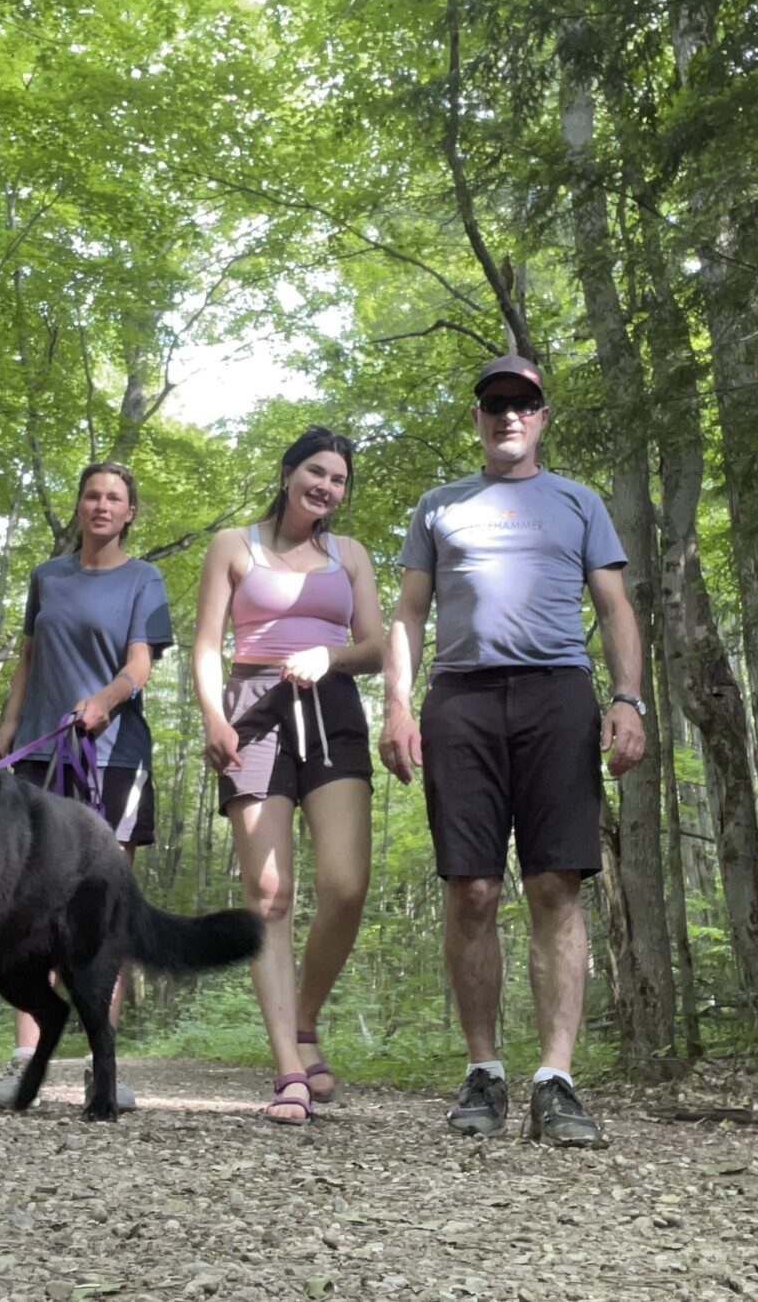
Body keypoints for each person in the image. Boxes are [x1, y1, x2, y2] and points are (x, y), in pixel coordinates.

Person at [377, 356, 645, 1147]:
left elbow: (617, 606)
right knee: (473, 889)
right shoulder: (438, 507)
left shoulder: (579, 502)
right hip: (461, 696)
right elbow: (408, 613)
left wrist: (628, 699)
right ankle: (484, 1072)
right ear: (478, 416)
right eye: (494, 402)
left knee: (557, 886)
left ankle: (555, 1081)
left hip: (557, 691)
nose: (508, 415)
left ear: (541, 416)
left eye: (522, 403)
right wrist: (396, 703)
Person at [192, 426, 384, 1125]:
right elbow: (208, 643)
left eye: (338, 479)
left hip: (331, 710)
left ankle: (304, 1016)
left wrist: (329, 658)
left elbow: (376, 645)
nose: (326, 487)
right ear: (287, 472)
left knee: (346, 883)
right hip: (252, 706)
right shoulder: (232, 546)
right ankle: (288, 1069)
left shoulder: (351, 556)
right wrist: (215, 715)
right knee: (267, 891)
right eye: (316, 472)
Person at [0, 461, 173, 1111]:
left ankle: (103, 1064)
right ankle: (23, 1059)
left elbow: (140, 664)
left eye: (114, 496)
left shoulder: (143, 578)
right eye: (91, 493)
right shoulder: (47, 576)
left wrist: (104, 699)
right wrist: (7, 724)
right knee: (21, 903)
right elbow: (29, 655)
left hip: (113, 753)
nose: (101, 504)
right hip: (39, 756)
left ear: (129, 511)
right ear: (80, 504)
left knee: (100, 908)